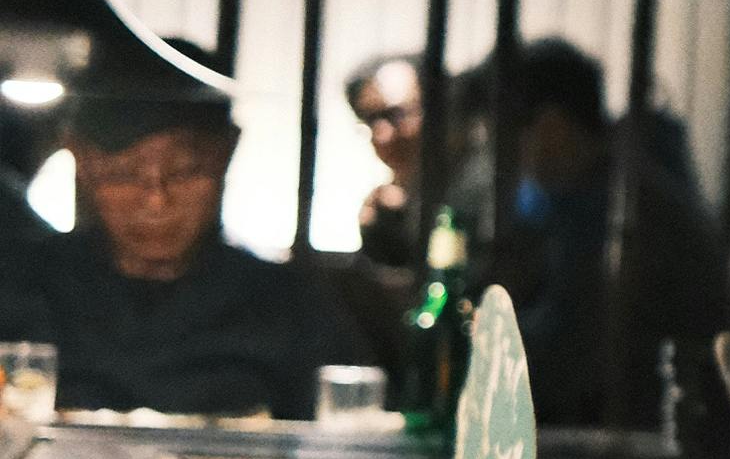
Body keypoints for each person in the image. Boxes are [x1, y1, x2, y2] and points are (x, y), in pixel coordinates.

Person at [6, 73, 364, 417]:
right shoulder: (21, 286)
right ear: (82, 159)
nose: (156, 202)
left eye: (184, 172)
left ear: (227, 151)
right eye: (124, 174)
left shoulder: (289, 304)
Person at [456, 37, 726, 427]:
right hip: (648, 420)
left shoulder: (617, 214)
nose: (501, 161)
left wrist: (468, 340)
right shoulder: (613, 189)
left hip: (651, 432)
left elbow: (562, 356)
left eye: (503, 140)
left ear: (551, 127)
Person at [345, 50, 427, 269]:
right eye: (370, 120)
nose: (381, 133)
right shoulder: (384, 205)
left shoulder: (486, 187)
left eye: (396, 115)